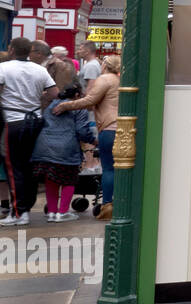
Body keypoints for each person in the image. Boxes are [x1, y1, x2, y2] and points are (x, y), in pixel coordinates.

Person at [0, 38, 58, 227]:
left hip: (13, 122)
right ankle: (26, 208)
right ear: (29, 51)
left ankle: (18, 213)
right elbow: (54, 93)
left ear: (12, 50)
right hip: (35, 121)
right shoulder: (40, 70)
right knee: (29, 167)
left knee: (13, 167)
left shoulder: (4, 68)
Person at [54, 54, 120, 220]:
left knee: (109, 169)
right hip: (122, 128)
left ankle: (107, 206)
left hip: (109, 128)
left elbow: (90, 100)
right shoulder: (120, 80)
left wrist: (65, 105)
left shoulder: (105, 79)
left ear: (106, 65)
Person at [31, 60, 96, 223]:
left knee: (51, 180)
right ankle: (63, 212)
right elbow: (82, 130)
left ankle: (52, 213)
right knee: (68, 179)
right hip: (65, 149)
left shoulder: (52, 104)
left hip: (43, 148)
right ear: (76, 96)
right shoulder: (77, 107)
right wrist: (93, 140)